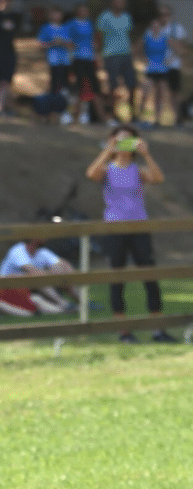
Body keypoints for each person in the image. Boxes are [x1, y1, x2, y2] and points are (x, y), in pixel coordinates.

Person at [84, 125, 171, 343]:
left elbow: (158, 178)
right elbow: (91, 174)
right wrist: (108, 150)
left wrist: (146, 154)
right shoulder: (107, 169)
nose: (124, 145)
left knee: (149, 277)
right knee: (117, 279)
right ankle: (124, 331)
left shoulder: (138, 170)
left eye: (128, 140)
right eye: (119, 140)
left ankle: (157, 329)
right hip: (114, 228)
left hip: (139, 227)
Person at [0, 239, 74, 314]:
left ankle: (81, 302)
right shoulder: (18, 250)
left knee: (61, 269)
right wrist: (55, 274)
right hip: (9, 291)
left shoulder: (42, 251)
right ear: (33, 237)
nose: (46, 237)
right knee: (36, 281)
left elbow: (62, 265)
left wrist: (61, 271)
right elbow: (33, 271)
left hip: (30, 290)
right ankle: (64, 305)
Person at [97, 0, 137, 123]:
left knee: (132, 84)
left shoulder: (127, 17)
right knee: (113, 85)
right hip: (111, 55)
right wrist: (99, 53)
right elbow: (98, 35)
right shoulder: (105, 16)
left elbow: (129, 34)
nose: (121, 3)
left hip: (126, 54)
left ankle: (133, 114)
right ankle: (113, 114)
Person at [69, 3, 106, 125]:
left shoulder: (90, 24)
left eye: (86, 10)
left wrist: (96, 52)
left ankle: (102, 118)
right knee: (80, 88)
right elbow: (67, 38)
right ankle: (75, 118)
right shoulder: (72, 24)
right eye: (82, 10)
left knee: (95, 89)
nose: (84, 13)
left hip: (90, 60)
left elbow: (94, 41)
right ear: (77, 11)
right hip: (78, 60)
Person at [38, 6, 74, 119]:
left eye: (58, 13)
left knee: (66, 86)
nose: (57, 16)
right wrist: (53, 43)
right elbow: (41, 46)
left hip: (66, 61)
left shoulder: (66, 28)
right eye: (54, 13)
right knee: (55, 86)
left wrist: (63, 42)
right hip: (53, 61)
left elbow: (71, 45)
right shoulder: (45, 28)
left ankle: (65, 111)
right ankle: (54, 110)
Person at [137, 12, 171, 128]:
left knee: (160, 95)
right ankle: (139, 117)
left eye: (157, 26)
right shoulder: (147, 37)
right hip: (150, 69)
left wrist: (169, 60)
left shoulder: (165, 38)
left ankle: (157, 119)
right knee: (145, 93)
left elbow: (174, 48)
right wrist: (142, 58)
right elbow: (138, 49)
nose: (155, 27)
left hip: (162, 70)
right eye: (153, 26)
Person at [159, 5, 188, 125]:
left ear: (170, 15)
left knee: (175, 91)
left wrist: (169, 41)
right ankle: (163, 118)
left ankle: (179, 117)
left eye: (166, 15)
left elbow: (181, 48)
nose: (164, 17)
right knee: (165, 92)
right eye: (161, 15)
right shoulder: (157, 28)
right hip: (159, 66)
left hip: (173, 65)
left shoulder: (177, 28)